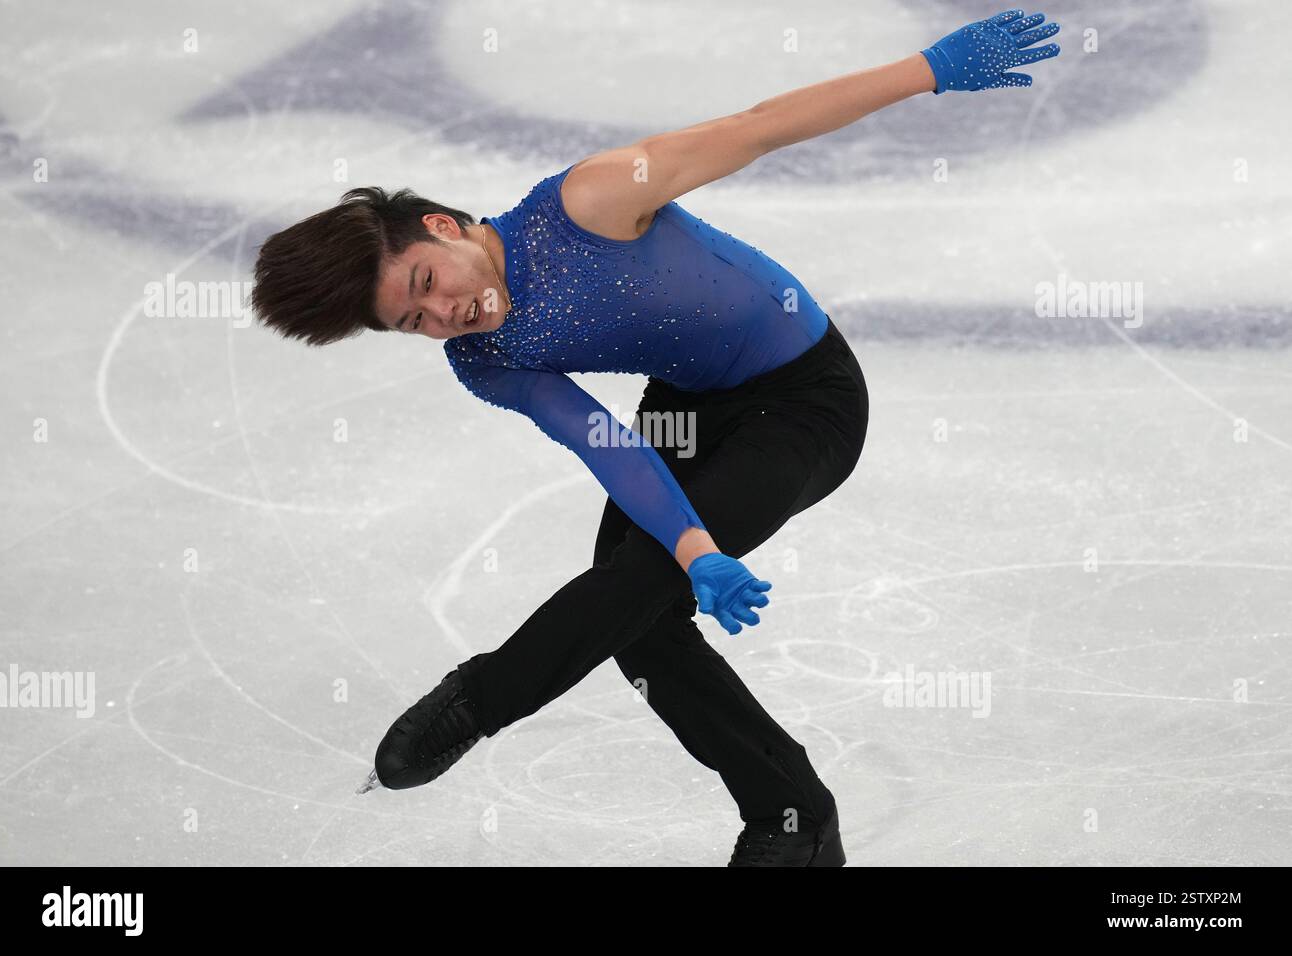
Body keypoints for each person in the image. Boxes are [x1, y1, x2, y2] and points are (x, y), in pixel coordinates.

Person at [250, 10, 1060, 866]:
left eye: (426, 282)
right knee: (636, 608)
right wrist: (695, 546)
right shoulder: (483, 358)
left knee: (634, 586)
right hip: (687, 408)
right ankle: (793, 818)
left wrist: (930, 68)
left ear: (444, 226)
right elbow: (604, 443)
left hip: (807, 401)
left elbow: (758, 129)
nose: (445, 313)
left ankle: (481, 699)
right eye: (415, 320)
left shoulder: (590, 199)